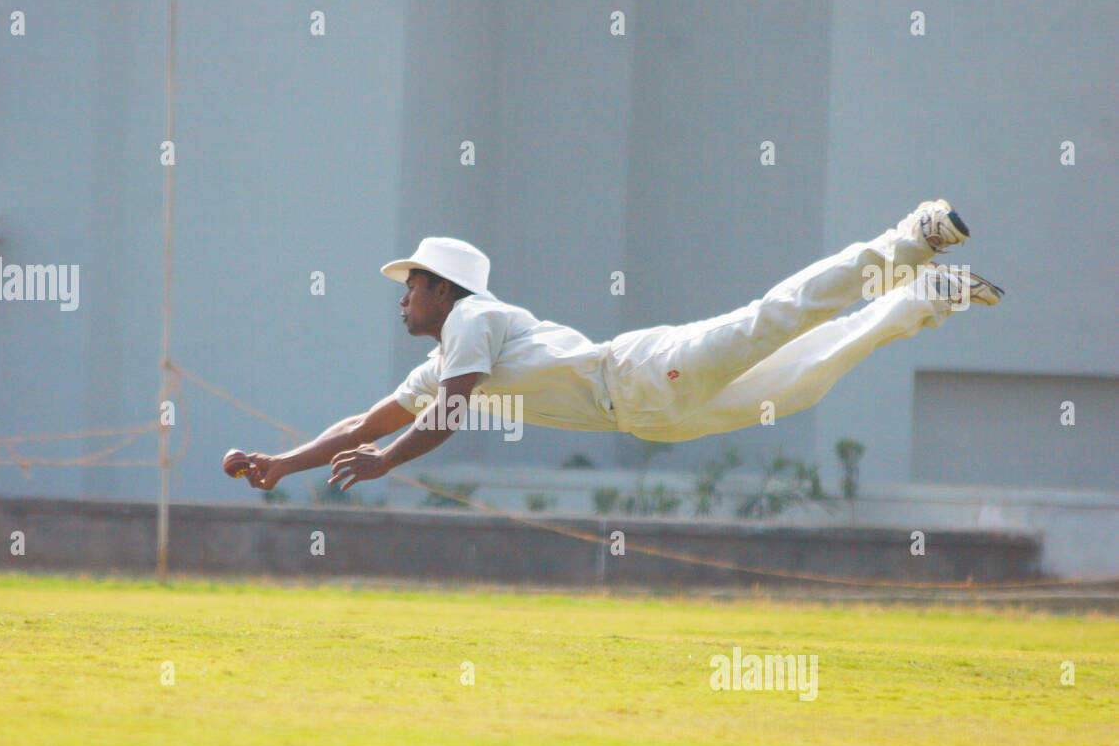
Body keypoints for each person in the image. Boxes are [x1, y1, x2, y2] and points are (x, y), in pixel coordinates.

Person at [223, 200, 1002, 492]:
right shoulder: (444, 357)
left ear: (444, 291)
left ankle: (910, 241)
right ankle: (925, 301)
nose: (401, 299)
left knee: (775, 320)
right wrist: (279, 464)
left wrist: (389, 464)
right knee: (804, 382)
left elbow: (443, 418)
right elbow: (364, 423)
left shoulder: (474, 322)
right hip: (649, 419)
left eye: (411, 284)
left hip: (642, 372)